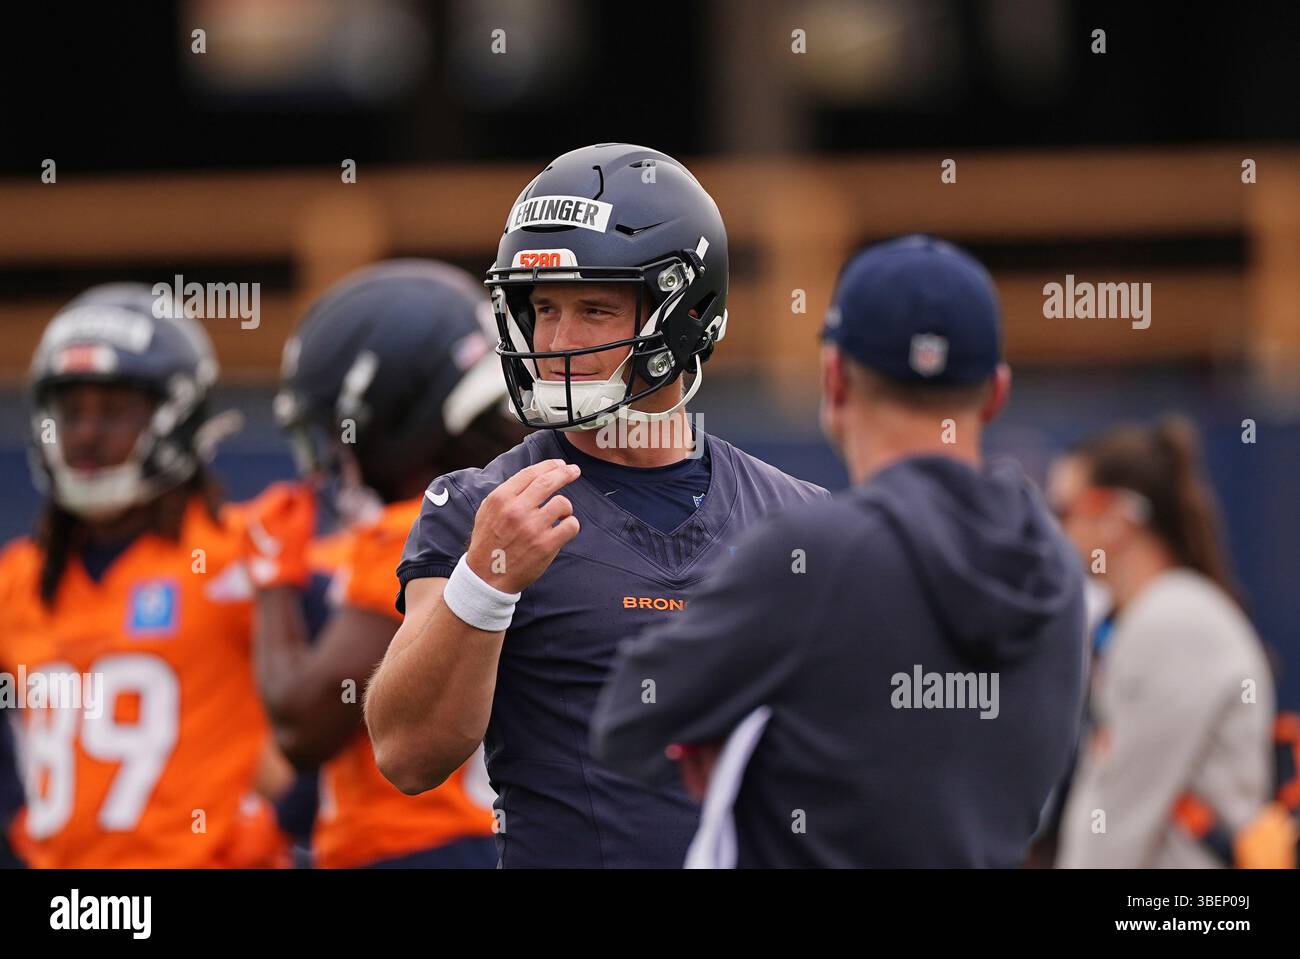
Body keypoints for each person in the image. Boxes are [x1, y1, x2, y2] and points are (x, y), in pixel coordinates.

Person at [364, 143, 828, 867]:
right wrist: (482, 584)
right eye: (543, 308)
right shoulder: (480, 505)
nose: (557, 342)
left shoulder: (799, 519)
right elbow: (406, 754)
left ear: (686, 314)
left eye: (595, 309)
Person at [591, 235, 1088, 867]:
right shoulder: (1059, 566)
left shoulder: (814, 550)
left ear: (833, 379)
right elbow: (1033, 796)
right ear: (996, 392)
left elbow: (627, 720)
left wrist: (736, 740)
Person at [244, 260, 520, 868]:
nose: (326, 464)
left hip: (421, 846)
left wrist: (270, 579)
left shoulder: (414, 530)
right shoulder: (518, 511)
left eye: (333, 438)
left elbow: (303, 726)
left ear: (388, 421)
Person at [0, 284, 283, 867]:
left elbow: (331, 722)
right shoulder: (16, 582)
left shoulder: (242, 557)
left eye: (113, 411)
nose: (85, 434)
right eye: (71, 411)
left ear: (176, 416)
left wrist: (267, 826)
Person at [1048, 417, 1280, 868]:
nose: (1055, 531)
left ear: (1116, 519)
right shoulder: (1160, 617)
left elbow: (1117, 819)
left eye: (1064, 512)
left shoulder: (1172, 622)